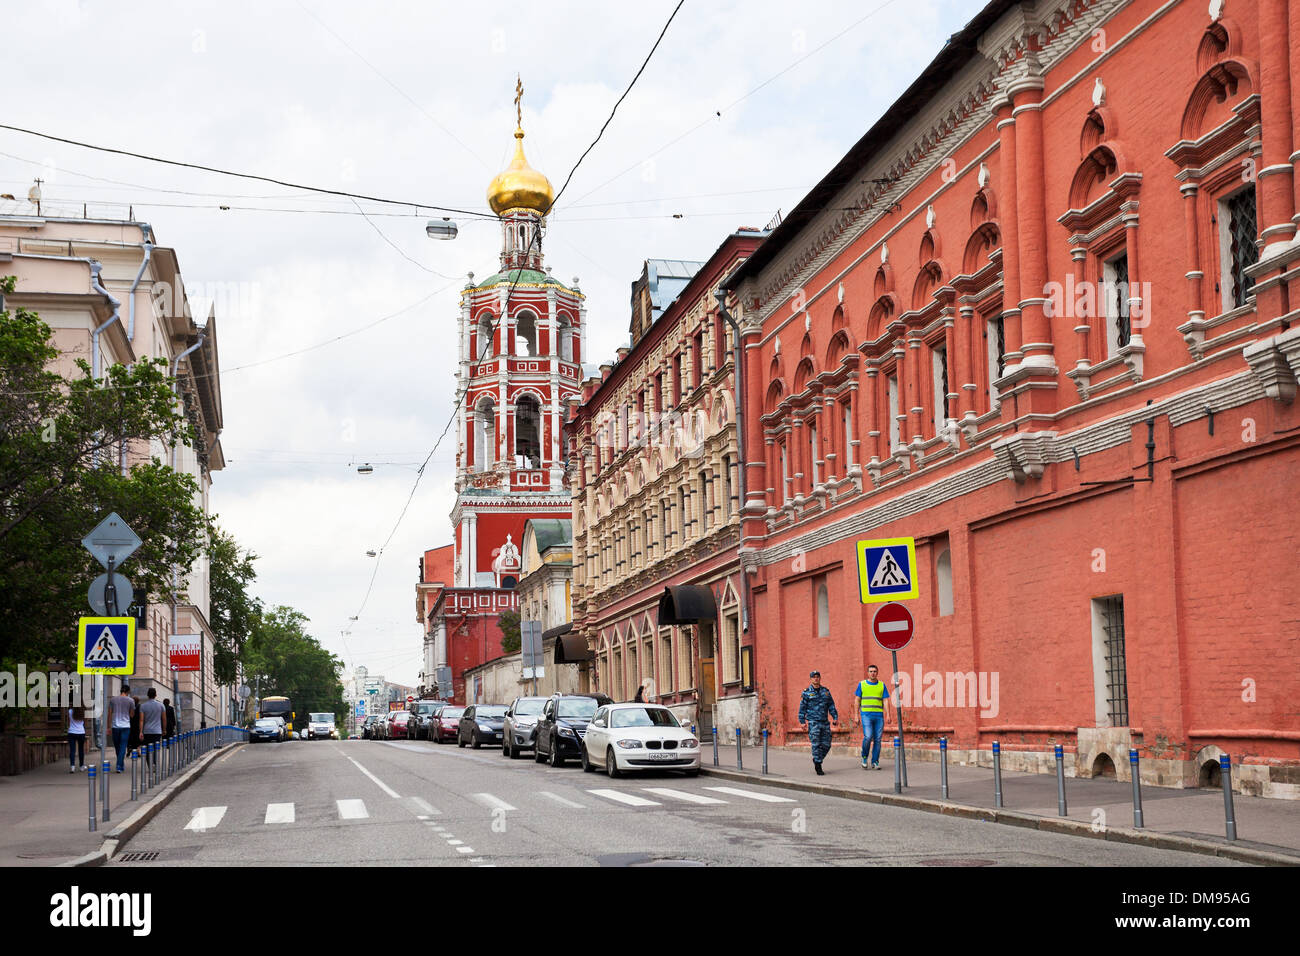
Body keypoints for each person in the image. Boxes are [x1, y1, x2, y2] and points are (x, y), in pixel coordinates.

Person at [797, 670, 839, 775]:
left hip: (824, 722)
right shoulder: (806, 692)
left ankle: (817, 759)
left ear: (820, 678)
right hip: (813, 722)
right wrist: (802, 721)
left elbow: (831, 705)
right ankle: (818, 765)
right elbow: (802, 708)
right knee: (816, 744)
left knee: (827, 744)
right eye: (814, 677)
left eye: (817, 677)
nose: (816, 678)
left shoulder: (825, 691)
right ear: (811, 679)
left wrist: (834, 717)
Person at [853, 664, 890, 770]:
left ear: (877, 673)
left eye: (874, 671)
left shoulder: (882, 685)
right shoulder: (862, 684)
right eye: (871, 671)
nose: (873, 673)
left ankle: (875, 761)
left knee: (878, 739)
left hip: (879, 716)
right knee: (868, 736)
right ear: (868, 673)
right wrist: (856, 715)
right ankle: (864, 756)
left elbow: (885, 700)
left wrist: (888, 714)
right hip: (866, 715)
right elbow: (857, 700)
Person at [107, 684, 134, 773]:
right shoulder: (131, 700)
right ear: (128, 691)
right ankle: (119, 765)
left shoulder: (113, 700)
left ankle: (120, 765)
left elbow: (109, 714)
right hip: (126, 726)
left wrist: (108, 726)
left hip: (115, 726)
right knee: (123, 746)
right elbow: (131, 715)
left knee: (117, 746)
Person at [140, 688, 166, 770]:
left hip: (147, 730)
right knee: (155, 747)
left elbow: (141, 720)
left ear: (148, 695)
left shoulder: (143, 706)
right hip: (157, 731)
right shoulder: (161, 705)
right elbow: (164, 719)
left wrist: (140, 731)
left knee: (147, 748)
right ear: (155, 695)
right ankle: (154, 763)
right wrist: (164, 729)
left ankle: (150, 764)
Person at [67, 706, 87, 773]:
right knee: (81, 750)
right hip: (81, 732)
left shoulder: (70, 711)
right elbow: (85, 722)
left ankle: (72, 767)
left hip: (72, 732)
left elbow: (68, 722)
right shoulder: (83, 711)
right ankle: (81, 766)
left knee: (72, 750)